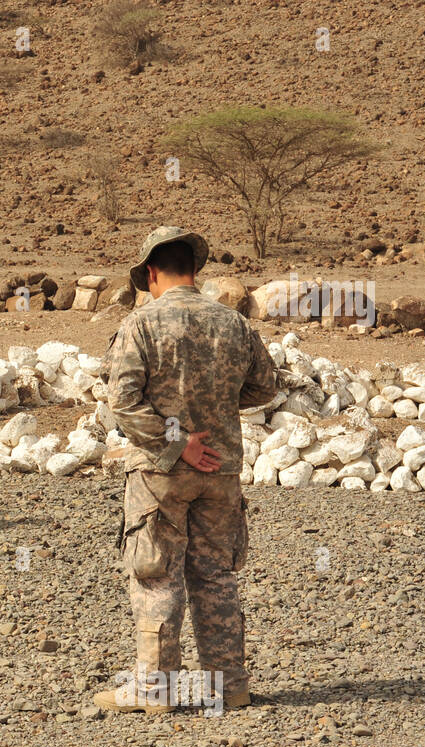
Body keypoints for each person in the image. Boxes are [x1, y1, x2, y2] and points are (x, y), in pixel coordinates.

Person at [92, 226, 278, 714]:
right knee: (215, 575)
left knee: (156, 575)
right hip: (221, 469)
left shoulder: (141, 324)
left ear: (150, 273)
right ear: (194, 270)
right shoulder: (234, 324)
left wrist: (177, 442)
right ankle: (228, 688)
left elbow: (123, 402)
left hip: (160, 474)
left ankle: (156, 691)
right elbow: (264, 389)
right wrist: (212, 412)